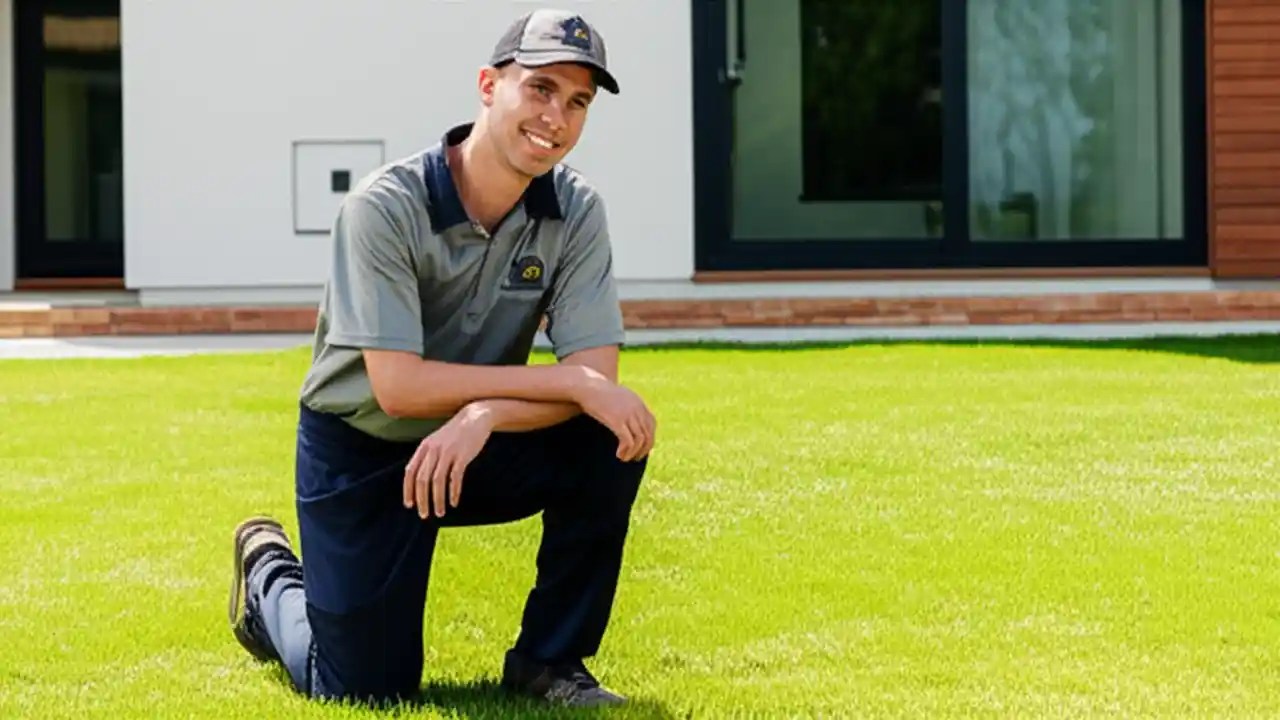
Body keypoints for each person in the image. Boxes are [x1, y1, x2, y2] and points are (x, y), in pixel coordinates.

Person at [225, 8, 656, 709]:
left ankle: (551, 662)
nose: (558, 116)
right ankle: (271, 574)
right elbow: (396, 388)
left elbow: (595, 386)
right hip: (363, 447)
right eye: (541, 88)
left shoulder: (577, 212)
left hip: (477, 442)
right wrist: (557, 386)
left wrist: (484, 412)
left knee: (614, 431)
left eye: (578, 102)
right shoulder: (383, 208)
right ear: (489, 86)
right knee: (361, 688)